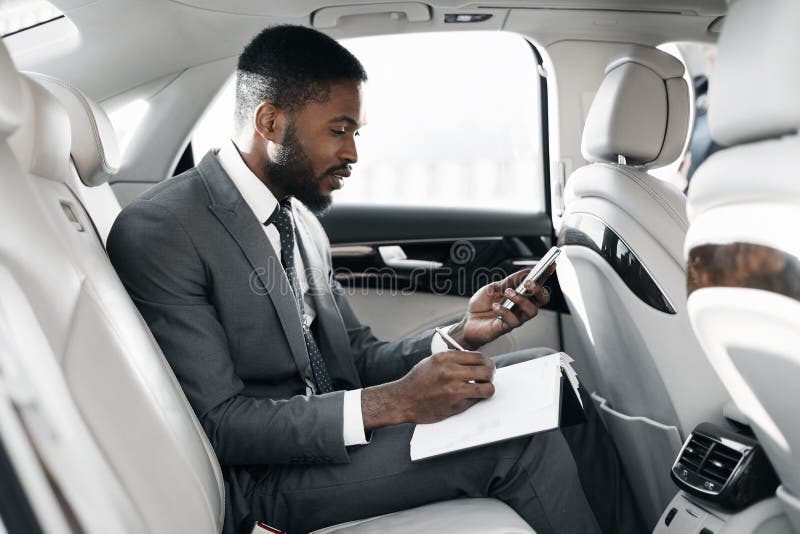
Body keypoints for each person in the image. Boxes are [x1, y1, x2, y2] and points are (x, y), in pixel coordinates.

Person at [107, 25, 642, 534]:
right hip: (267, 481)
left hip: (335, 443)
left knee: (548, 379)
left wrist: (463, 334)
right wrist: (394, 403)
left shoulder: (300, 224)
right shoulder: (165, 229)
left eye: (356, 132)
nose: (353, 154)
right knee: (519, 442)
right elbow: (222, 424)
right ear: (270, 123)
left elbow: (355, 359)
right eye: (339, 131)